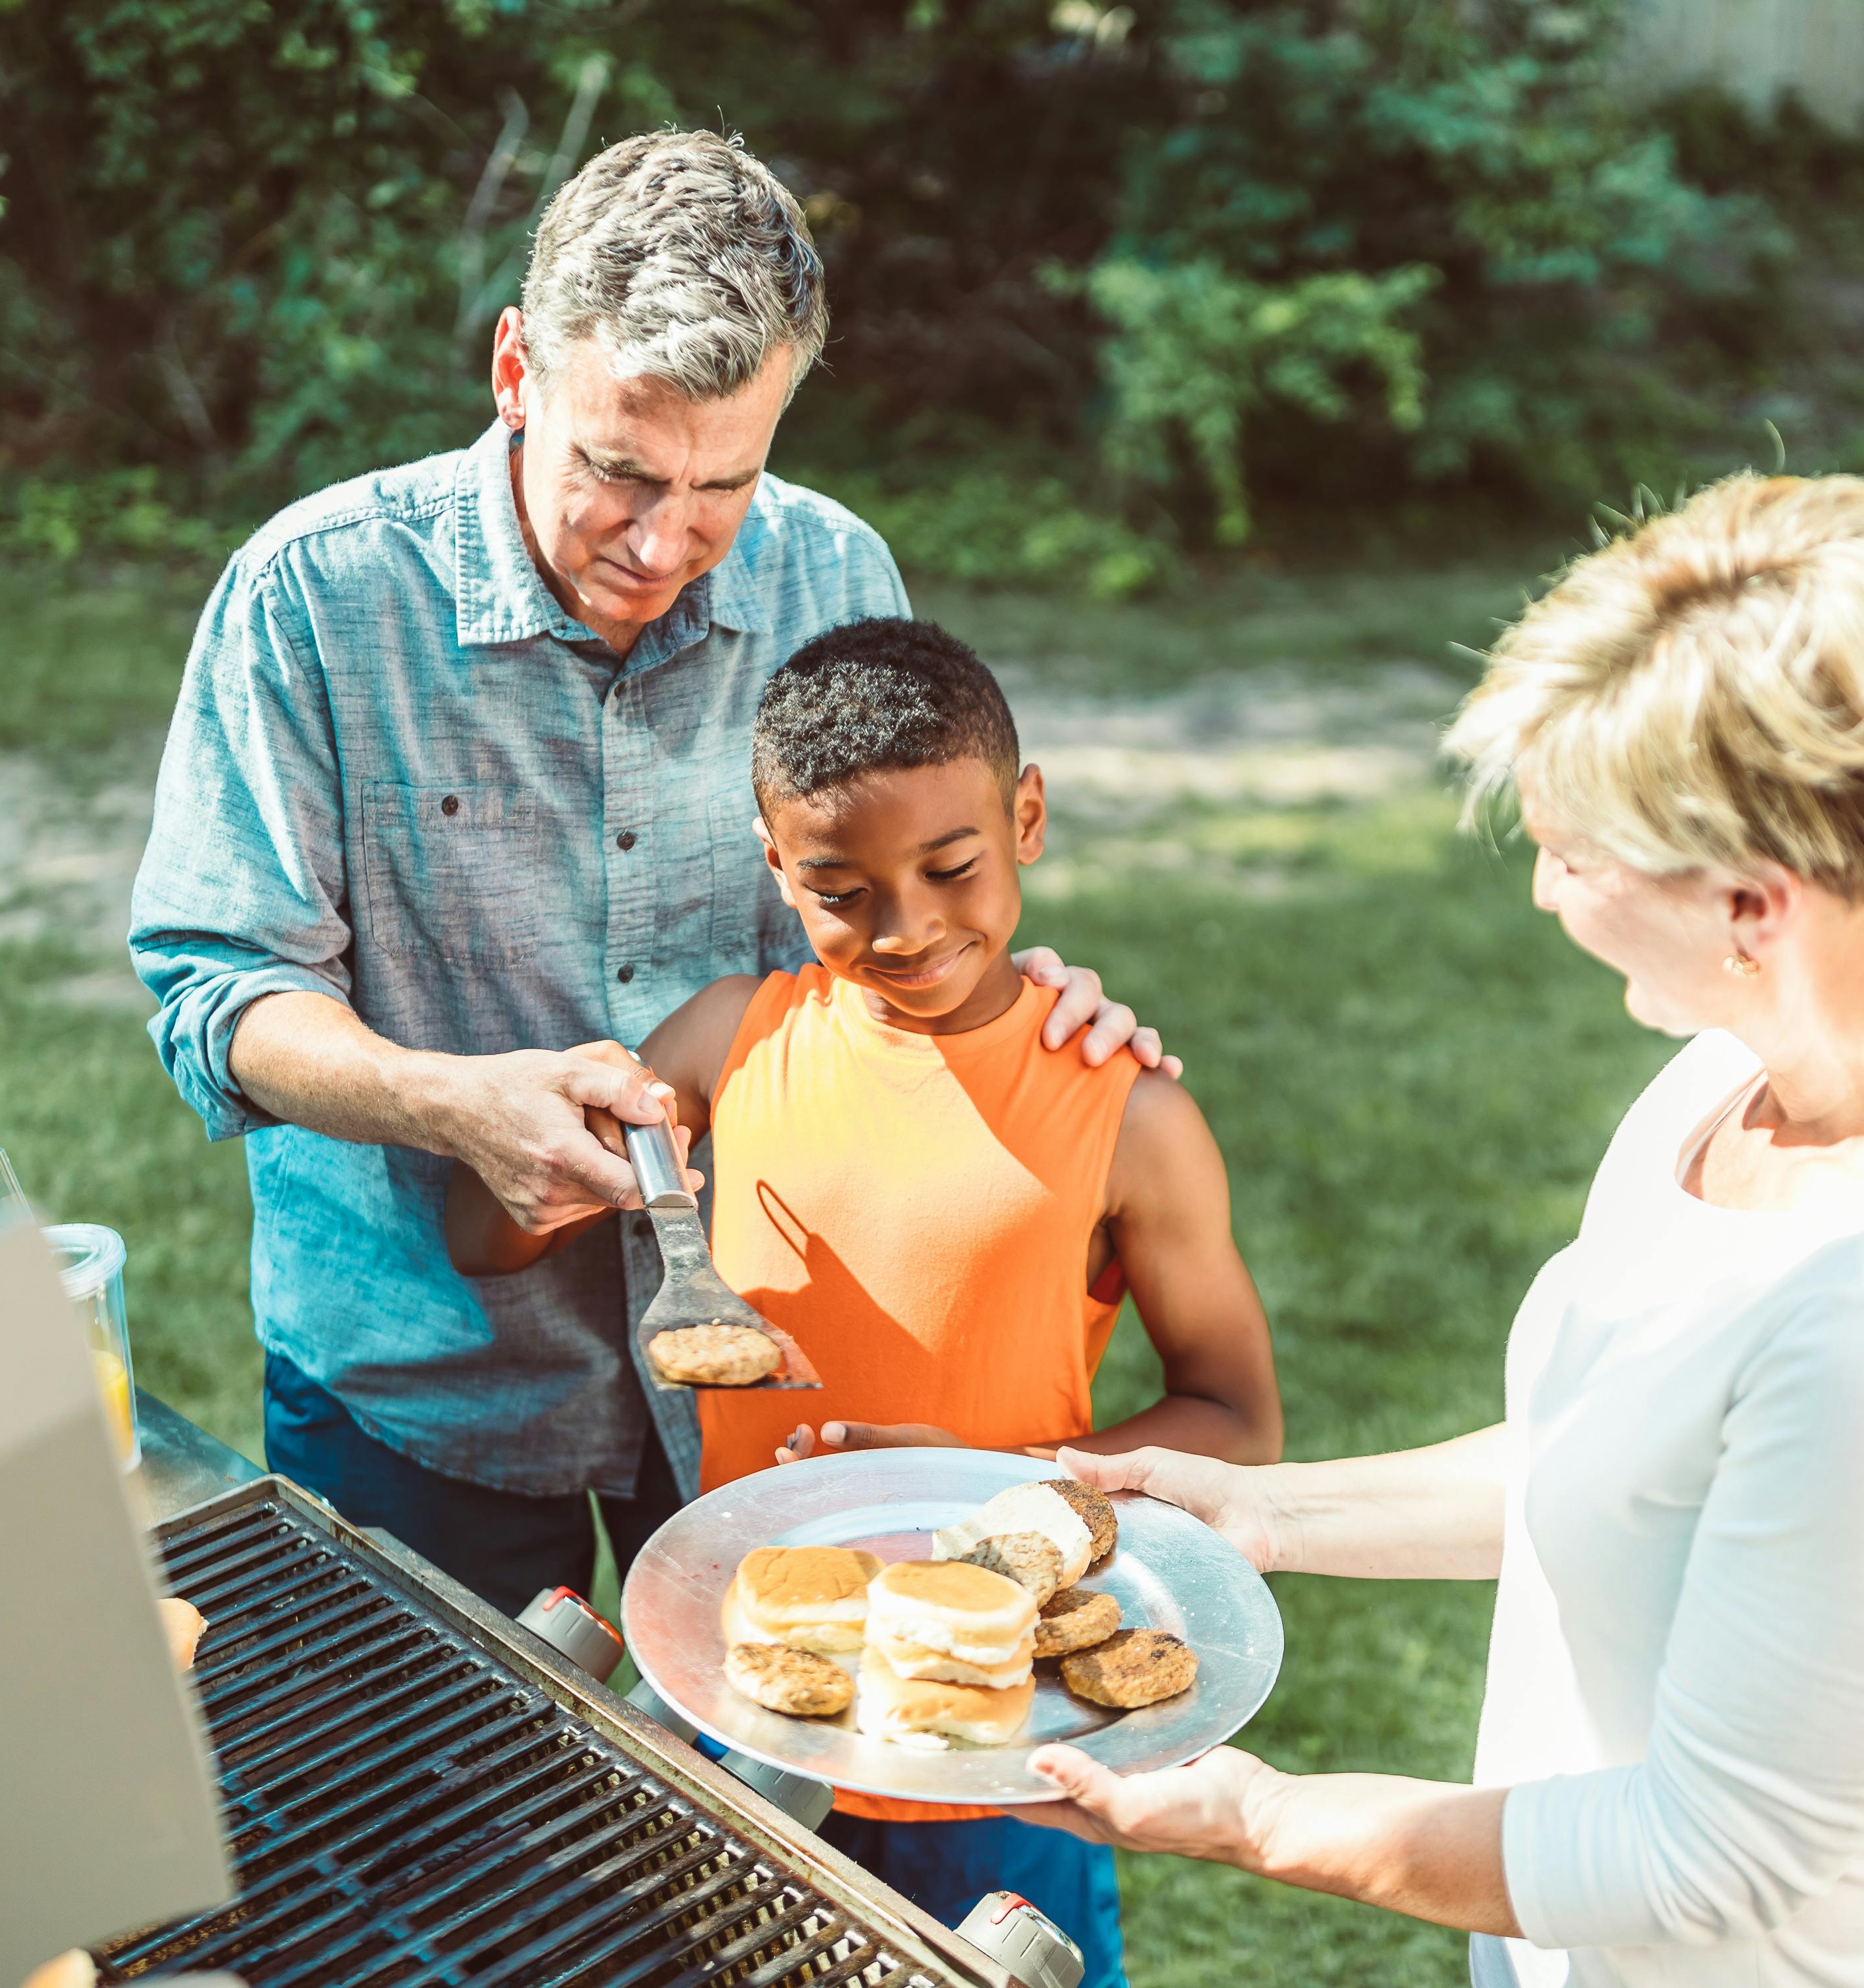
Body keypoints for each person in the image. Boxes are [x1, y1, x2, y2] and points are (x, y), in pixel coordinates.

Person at [1018, 474, 1864, 1988]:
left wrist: (1263, 1818)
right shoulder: (1728, 1085)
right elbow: (1617, 1463)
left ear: (1755, 903)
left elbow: (1707, 1859)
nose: (1547, 893)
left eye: (1578, 854)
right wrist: (1262, 1515)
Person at [128, 130, 1166, 1621]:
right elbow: (219, 984)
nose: (664, 541)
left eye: (723, 483)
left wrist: (1008, 1009)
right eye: (618, 472)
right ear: (515, 372)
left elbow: (884, 913)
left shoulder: (835, 578)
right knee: (438, 1778)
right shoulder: (315, 595)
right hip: (424, 1379)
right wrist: (443, 1101)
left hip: (770, 1376)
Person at [447, 617, 1284, 1987]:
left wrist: (993, 1487)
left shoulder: (1128, 1116)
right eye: (841, 890)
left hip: (1005, 1726)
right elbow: (486, 1238)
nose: (906, 927)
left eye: (951, 868)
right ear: (777, 866)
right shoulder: (727, 1043)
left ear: (1025, 818)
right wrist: (554, 1141)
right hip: (762, 1688)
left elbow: (1237, 1416)